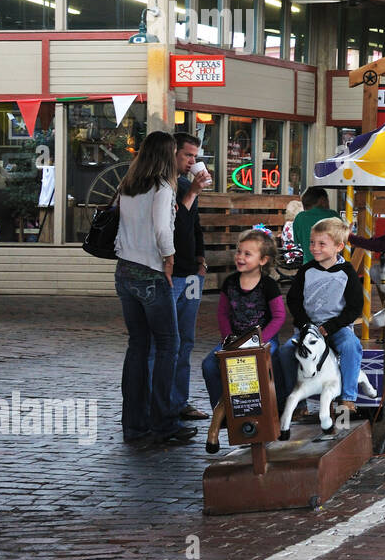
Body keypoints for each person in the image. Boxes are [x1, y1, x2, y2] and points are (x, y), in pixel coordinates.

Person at [115, 131, 195, 445]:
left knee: (137, 347)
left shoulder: (128, 185)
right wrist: (170, 261)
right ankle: (164, 421)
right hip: (150, 272)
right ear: (165, 155)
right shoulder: (162, 187)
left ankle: (133, 424)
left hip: (124, 272)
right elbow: (162, 230)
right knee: (168, 346)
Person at [148, 131, 214, 422]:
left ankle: (178, 401)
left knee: (186, 340)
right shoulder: (162, 187)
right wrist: (192, 193)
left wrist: (201, 260)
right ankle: (157, 404)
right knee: (163, 343)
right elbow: (173, 228)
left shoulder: (187, 186)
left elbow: (193, 225)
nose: (192, 162)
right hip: (168, 275)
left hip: (190, 275)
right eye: (187, 155)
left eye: (195, 157)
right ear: (173, 153)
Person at [280, 217, 365, 414]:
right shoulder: (306, 270)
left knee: (352, 346)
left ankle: (347, 398)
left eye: (321, 244)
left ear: (338, 246)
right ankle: (298, 403)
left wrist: (332, 326)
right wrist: (305, 324)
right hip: (308, 328)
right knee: (285, 353)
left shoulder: (347, 272)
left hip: (337, 327)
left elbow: (354, 308)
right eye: (312, 243)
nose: (315, 248)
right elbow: (294, 300)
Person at [200, 228, 287, 410]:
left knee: (270, 362)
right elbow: (223, 313)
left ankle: (277, 407)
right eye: (239, 252)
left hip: (263, 340)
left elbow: (279, 316)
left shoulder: (268, 285)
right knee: (209, 365)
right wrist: (228, 339)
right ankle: (222, 409)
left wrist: (260, 340)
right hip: (234, 340)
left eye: (248, 254)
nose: (240, 257)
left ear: (263, 260)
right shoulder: (230, 282)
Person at [293, 187, 338, 264]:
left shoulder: (300, 218)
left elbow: (298, 241)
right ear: (322, 200)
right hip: (331, 265)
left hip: (308, 266)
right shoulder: (333, 215)